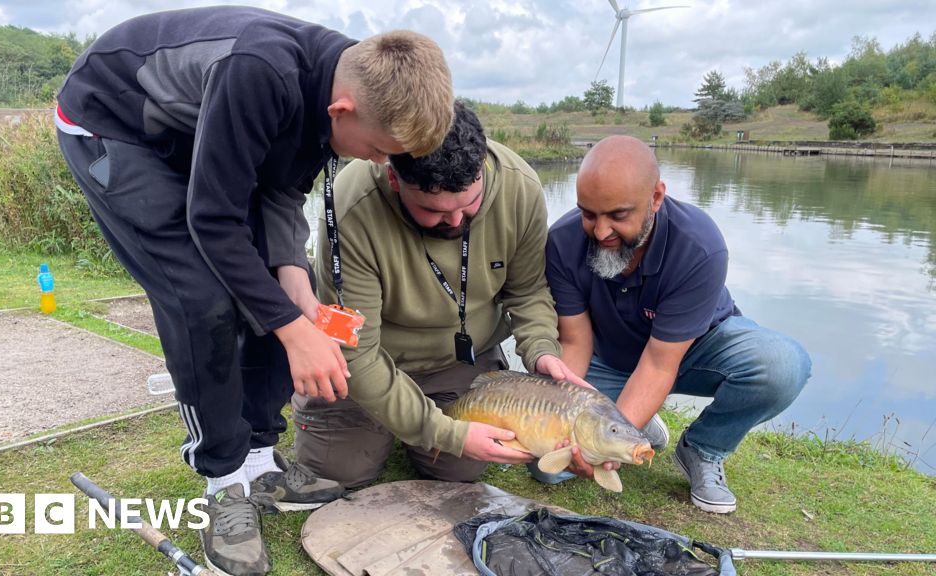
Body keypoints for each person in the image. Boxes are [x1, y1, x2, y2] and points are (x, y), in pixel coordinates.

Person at [54, 7, 454, 575]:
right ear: (343, 110)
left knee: (277, 290)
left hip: (193, 129)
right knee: (201, 300)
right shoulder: (261, 71)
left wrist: (295, 289)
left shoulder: (351, 83)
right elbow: (212, 220)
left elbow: (281, 196)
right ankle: (221, 481)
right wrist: (294, 333)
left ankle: (262, 461)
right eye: (381, 148)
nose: (382, 162)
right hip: (114, 123)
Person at [293, 102, 587, 488]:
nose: (455, 221)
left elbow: (528, 290)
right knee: (338, 474)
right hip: (371, 361)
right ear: (395, 180)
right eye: (433, 210)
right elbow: (356, 349)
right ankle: (366, 418)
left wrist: (542, 349)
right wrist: (449, 433)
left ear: (481, 167)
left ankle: (413, 421)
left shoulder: (522, 187)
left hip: (458, 364)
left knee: (459, 472)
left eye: (469, 205)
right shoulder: (348, 206)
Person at [544, 135, 811, 514]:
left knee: (783, 366)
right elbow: (574, 343)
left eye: (618, 215)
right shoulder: (561, 241)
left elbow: (658, 364)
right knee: (548, 468)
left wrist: (608, 445)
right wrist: (563, 428)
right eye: (588, 213)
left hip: (695, 351)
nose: (601, 231)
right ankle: (641, 423)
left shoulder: (699, 245)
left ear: (656, 198)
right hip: (612, 358)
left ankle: (702, 448)